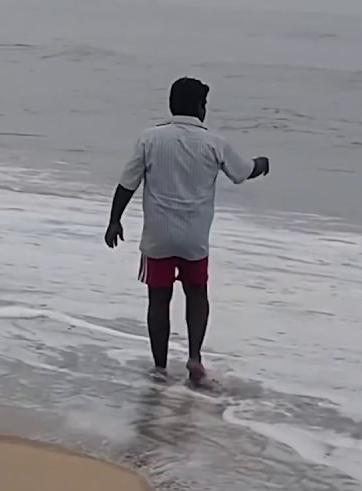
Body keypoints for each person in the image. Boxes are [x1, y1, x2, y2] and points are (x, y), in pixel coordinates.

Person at [104, 77, 270, 386]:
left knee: (158, 300)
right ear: (200, 107)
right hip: (195, 239)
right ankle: (194, 357)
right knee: (197, 294)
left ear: (171, 104)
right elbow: (243, 172)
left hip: (158, 237)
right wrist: (262, 163)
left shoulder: (150, 139)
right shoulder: (214, 143)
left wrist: (115, 220)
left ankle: (159, 367)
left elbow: (127, 183)